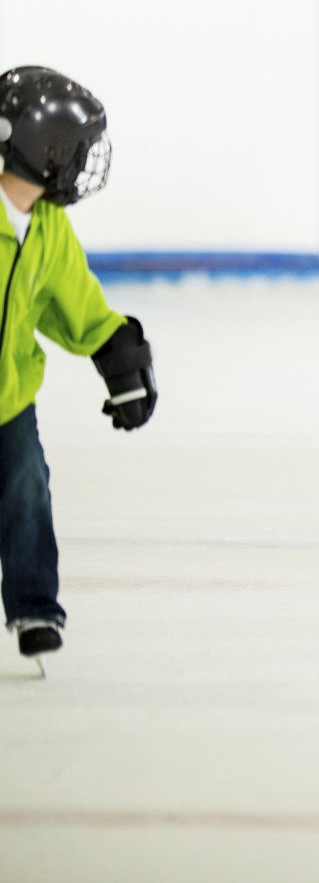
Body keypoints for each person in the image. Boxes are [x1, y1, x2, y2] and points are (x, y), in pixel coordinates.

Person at [0, 66, 158, 671]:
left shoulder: (47, 226)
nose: (82, 163)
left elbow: (74, 300)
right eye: (75, 149)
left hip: (9, 394)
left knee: (26, 488)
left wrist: (117, 355)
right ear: (45, 151)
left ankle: (34, 607)